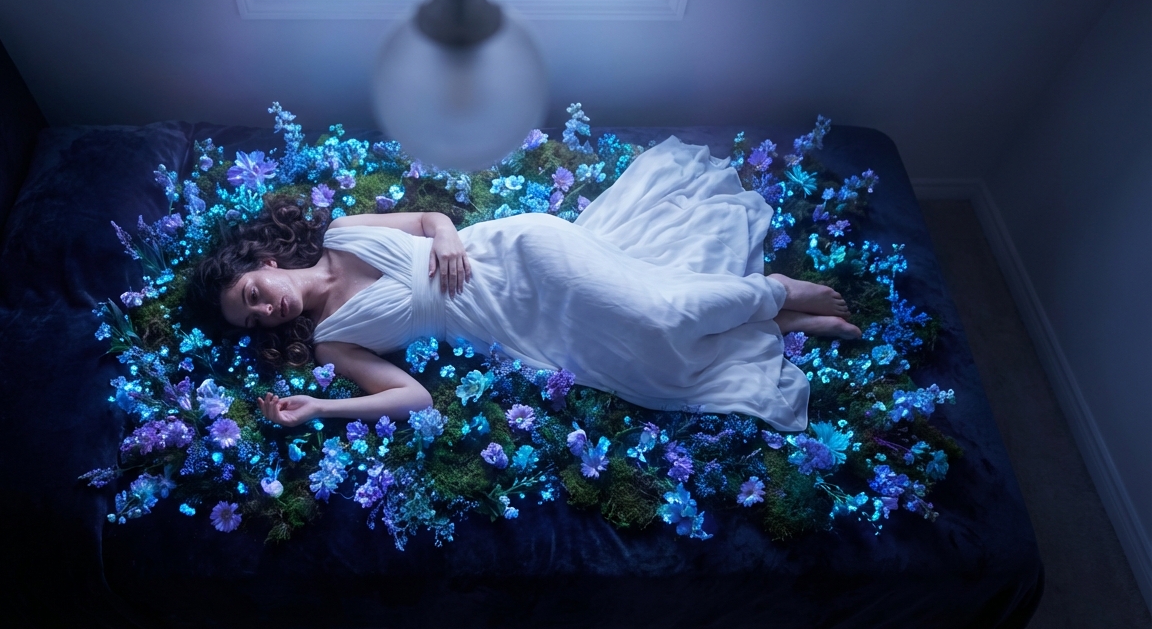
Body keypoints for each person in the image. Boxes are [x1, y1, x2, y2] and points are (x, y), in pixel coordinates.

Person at [186, 136, 859, 433]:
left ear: (265, 265)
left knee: (655, 316)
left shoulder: (341, 230)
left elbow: (427, 218)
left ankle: (772, 291)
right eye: (254, 322)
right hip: (510, 326)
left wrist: (445, 236)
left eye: (251, 295)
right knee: (649, 362)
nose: (266, 312)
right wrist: (320, 408)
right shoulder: (332, 344)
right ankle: (775, 326)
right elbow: (415, 399)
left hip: (522, 253)